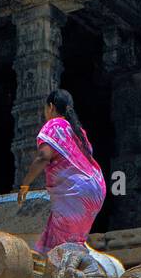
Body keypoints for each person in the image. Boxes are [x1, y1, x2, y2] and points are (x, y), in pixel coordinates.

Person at [17, 88, 106, 254]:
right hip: (96, 189)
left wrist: (25, 185)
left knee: (59, 247)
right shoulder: (79, 132)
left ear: (50, 107)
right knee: (72, 241)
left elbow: (43, 156)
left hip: (75, 191)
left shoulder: (53, 125)